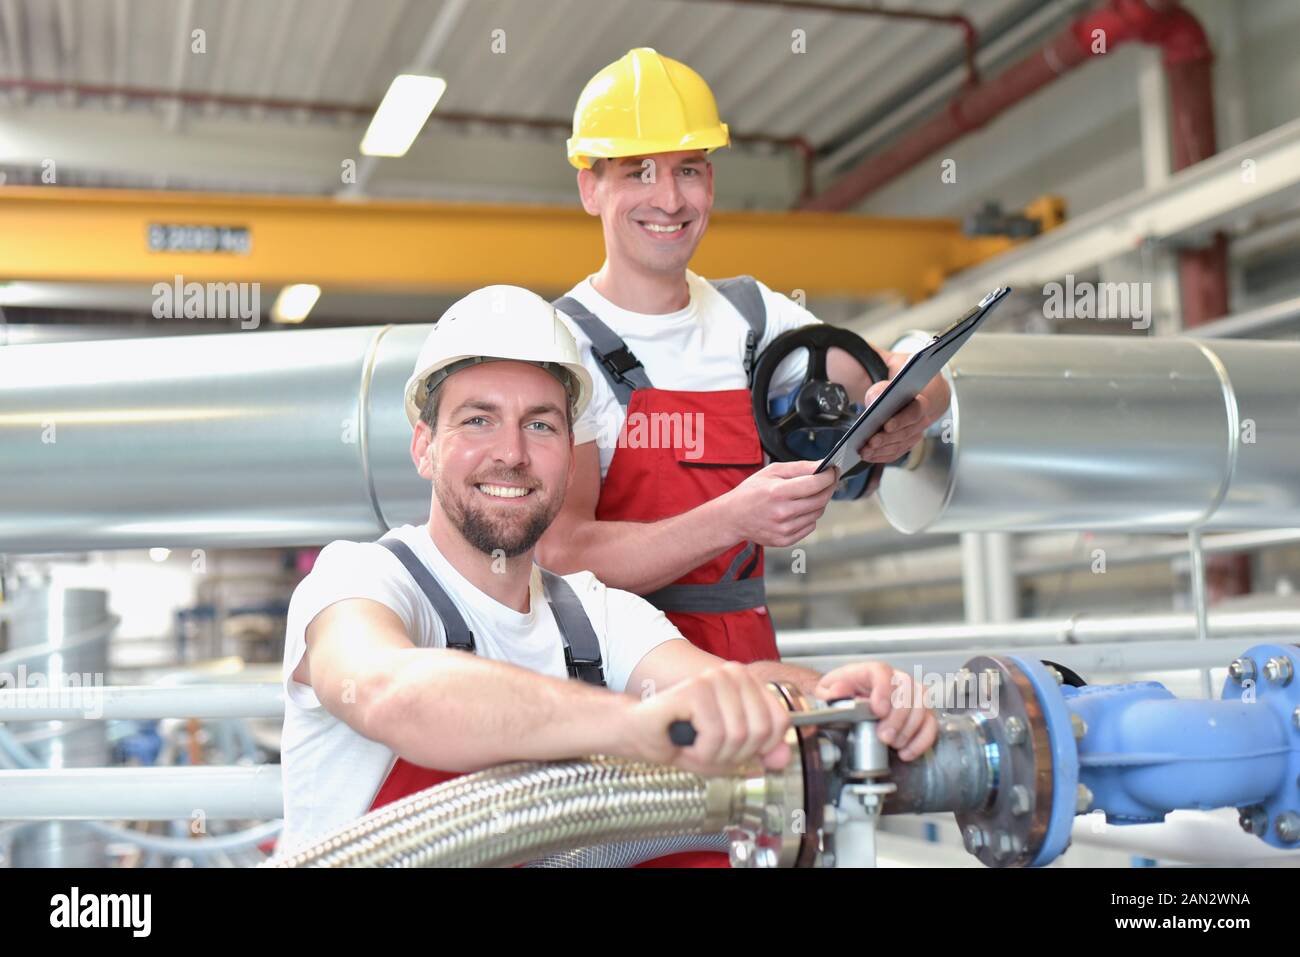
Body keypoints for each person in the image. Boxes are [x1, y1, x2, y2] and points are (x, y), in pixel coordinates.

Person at [278, 285, 937, 862]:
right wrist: (633, 725)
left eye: (540, 424)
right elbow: (392, 690)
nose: (511, 453)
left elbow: (722, 689)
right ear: (425, 446)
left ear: (571, 454)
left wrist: (838, 698)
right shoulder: (363, 580)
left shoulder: (591, 613)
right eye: (478, 419)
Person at [537, 49, 952, 665]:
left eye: (688, 169)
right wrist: (732, 519)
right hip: (622, 674)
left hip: (752, 656)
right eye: (638, 172)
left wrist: (909, 409)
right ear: (589, 188)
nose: (670, 199)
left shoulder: (753, 316)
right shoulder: (557, 344)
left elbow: (901, 372)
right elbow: (563, 555)